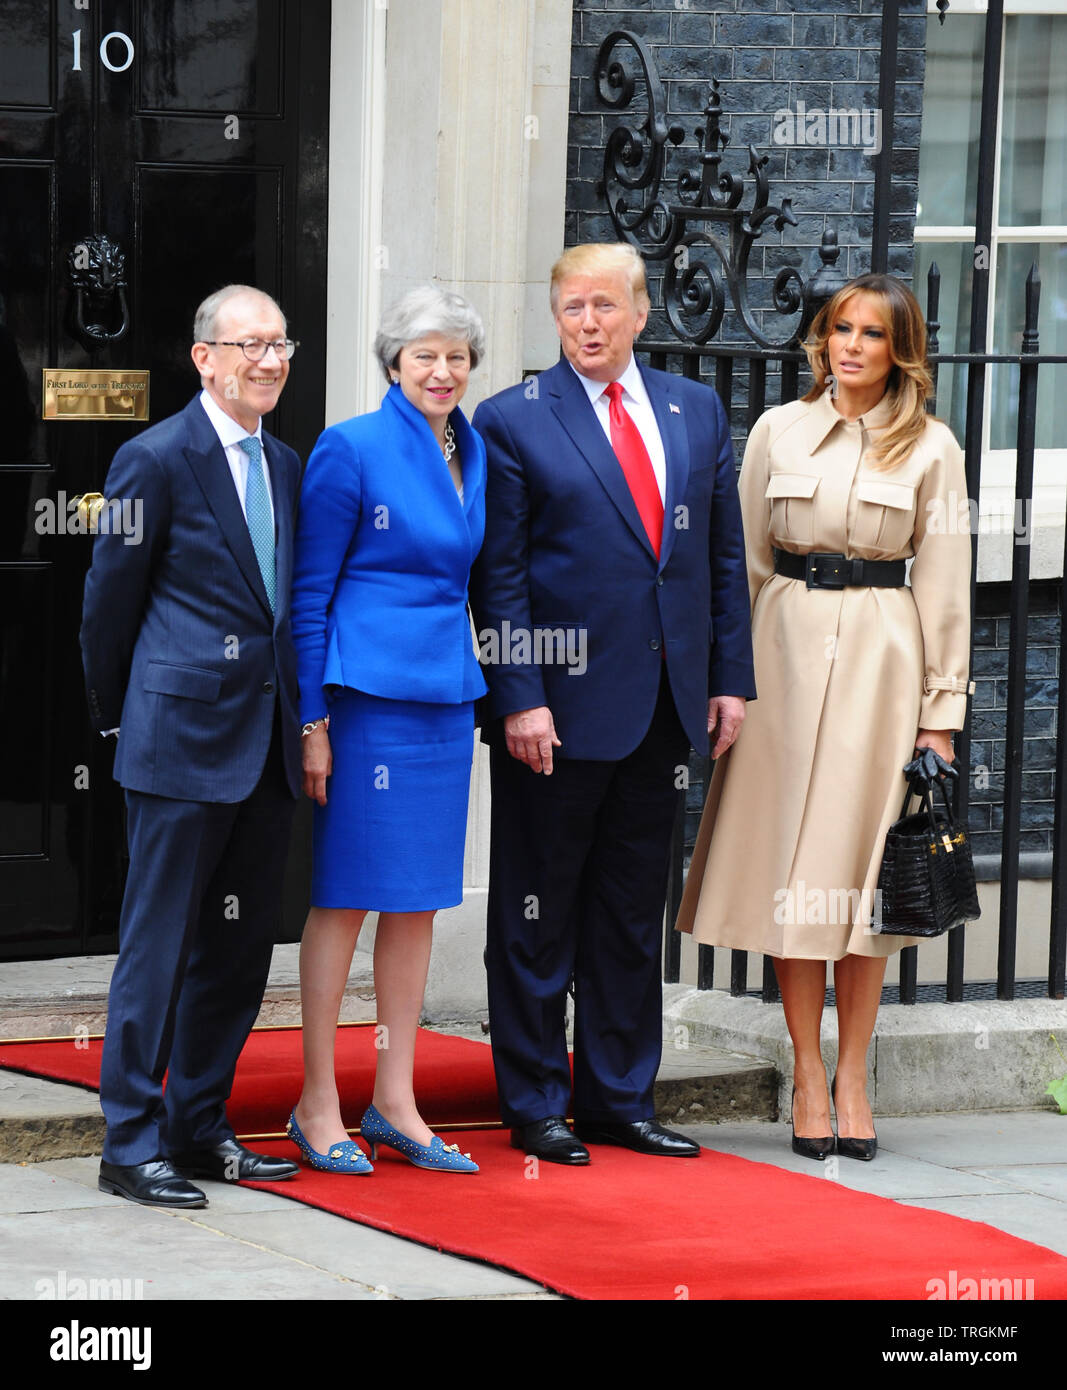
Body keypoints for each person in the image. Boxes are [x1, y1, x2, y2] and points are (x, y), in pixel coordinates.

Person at [469, 242, 755, 1164]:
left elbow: (718, 558)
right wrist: (518, 697)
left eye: (601, 307)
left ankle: (619, 1100)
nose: (585, 324)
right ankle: (535, 1101)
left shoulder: (695, 409)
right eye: (569, 310)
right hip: (552, 713)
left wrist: (728, 679)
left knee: (632, 915)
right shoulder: (512, 419)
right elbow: (498, 576)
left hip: (665, 705)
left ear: (639, 312)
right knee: (535, 911)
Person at [676, 274, 973, 1161]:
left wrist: (938, 716)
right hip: (784, 656)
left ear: (898, 351)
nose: (849, 345)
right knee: (793, 870)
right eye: (838, 329)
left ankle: (853, 1076)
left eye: (870, 334)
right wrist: (733, 671)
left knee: (859, 876)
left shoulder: (933, 449)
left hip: (885, 657)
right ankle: (806, 1071)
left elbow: (947, 583)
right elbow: (744, 562)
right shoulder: (777, 430)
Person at [81, 285, 303, 1207]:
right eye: (248, 344)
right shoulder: (153, 456)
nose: (268, 360)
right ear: (204, 356)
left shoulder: (287, 463)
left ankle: (199, 1127)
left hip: (265, 749)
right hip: (177, 743)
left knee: (239, 952)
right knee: (158, 949)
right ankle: (129, 1146)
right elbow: (107, 606)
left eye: (280, 344)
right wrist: (117, 717)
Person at [287, 286, 486, 1175]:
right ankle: (316, 1101)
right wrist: (311, 717)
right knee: (345, 895)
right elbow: (307, 593)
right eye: (424, 356)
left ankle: (396, 1099)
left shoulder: (472, 449)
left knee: (417, 900)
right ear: (393, 364)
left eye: (456, 357)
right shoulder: (350, 447)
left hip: (445, 695)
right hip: (363, 699)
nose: (441, 371)